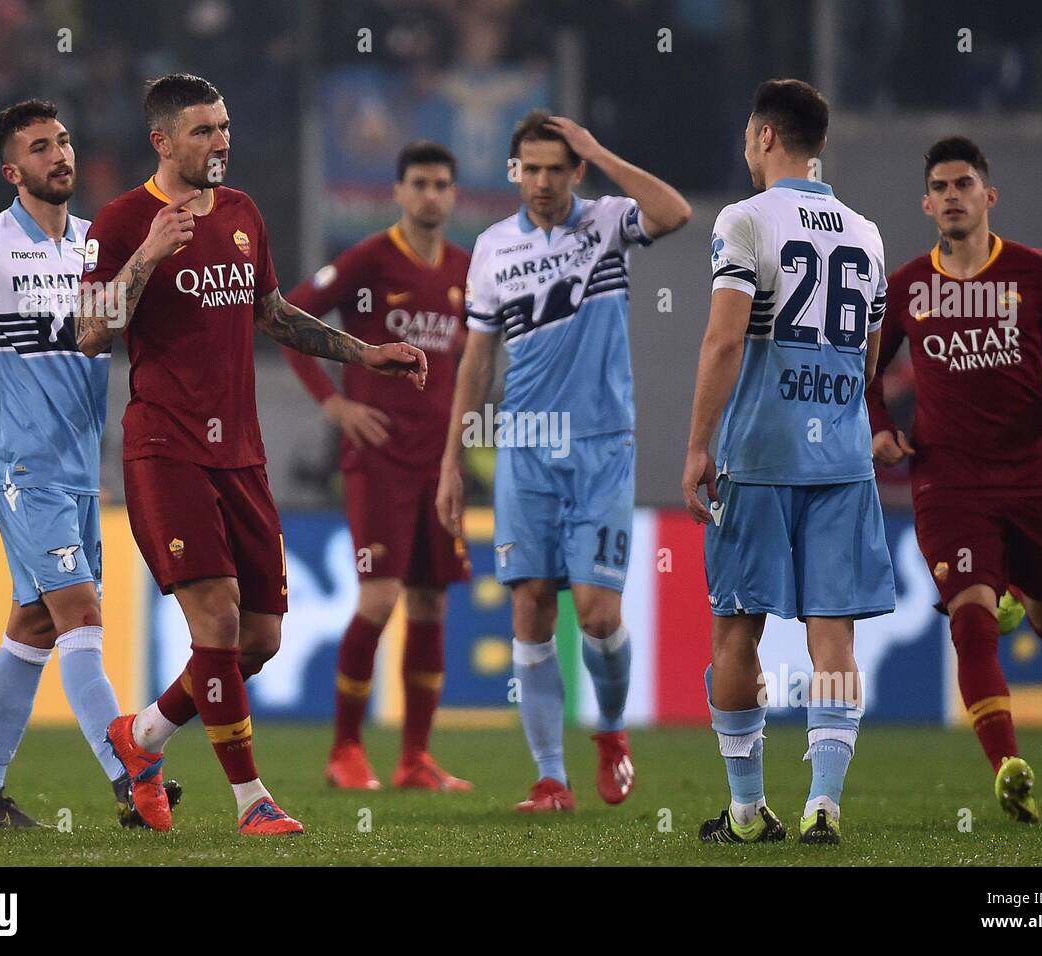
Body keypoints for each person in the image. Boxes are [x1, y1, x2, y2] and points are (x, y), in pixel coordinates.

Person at [77, 74, 427, 836]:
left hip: (241, 452)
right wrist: (144, 257)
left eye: (225, 126)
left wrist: (365, 355)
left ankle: (141, 739)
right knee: (220, 620)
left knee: (260, 639)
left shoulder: (242, 214)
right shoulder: (122, 219)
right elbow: (89, 332)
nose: (222, 142)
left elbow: (271, 311)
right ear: (162, 141)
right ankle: (252, 801)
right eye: (203, 131)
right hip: (164, 448)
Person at [0, 100, 166, 827]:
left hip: (79, 470)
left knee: (36, 626)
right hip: (22, 469)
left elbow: (116, 332)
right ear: (13, 171)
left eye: (65, 141)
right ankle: (130, 776)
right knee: (81, 614)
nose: (60, 155)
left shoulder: (96, 245)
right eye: (41, 148)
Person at [438, 110, 690, 811]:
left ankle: (611, 733)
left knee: (602, 616)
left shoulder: (608, 222)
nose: (543, 182)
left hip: (602, 447)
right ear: (515, 172)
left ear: (575, 170)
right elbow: (477, 360)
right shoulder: (491, 248)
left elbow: (676, 213)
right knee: (531, 610)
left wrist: (599, 147)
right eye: (531, 169)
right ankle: (551, 777)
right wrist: (451, 463)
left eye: (557, 168)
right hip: (524, 449)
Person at [866, 135, 1042, 823]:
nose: (952, 196)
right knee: (970, 619)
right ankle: (1007, 763)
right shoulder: (908, 286)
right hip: (947, 481)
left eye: (964, 184)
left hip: (1032, 474)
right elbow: (869, 373)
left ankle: (1018, 599)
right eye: (941, 187)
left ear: (989, 197)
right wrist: (880, 428)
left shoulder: (1036, 274)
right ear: (926, 204)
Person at [682, 79, 895, 846]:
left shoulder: (744, 221)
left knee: (736, 630)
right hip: (841, 461)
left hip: (759, 458)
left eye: (748, 134)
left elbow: (723, 340)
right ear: (820, 146)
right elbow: (870, 358)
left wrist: (700, 444)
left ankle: (746, 811)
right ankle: (825, 805)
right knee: (832, 636)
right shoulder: (867, 234)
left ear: (766, 136)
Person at [284, 141, 472, 791]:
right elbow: (289, 318)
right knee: (380, 598)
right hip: (379, 459)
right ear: (398, 191)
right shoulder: (370, 259)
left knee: (429, 605)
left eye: (441, 184)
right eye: (418, 182)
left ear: (453, 195)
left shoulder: (465, 271)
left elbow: (471, 360)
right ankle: (345, 751)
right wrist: (334, 404)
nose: (430, 194)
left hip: (438, 465)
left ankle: (415, 758)